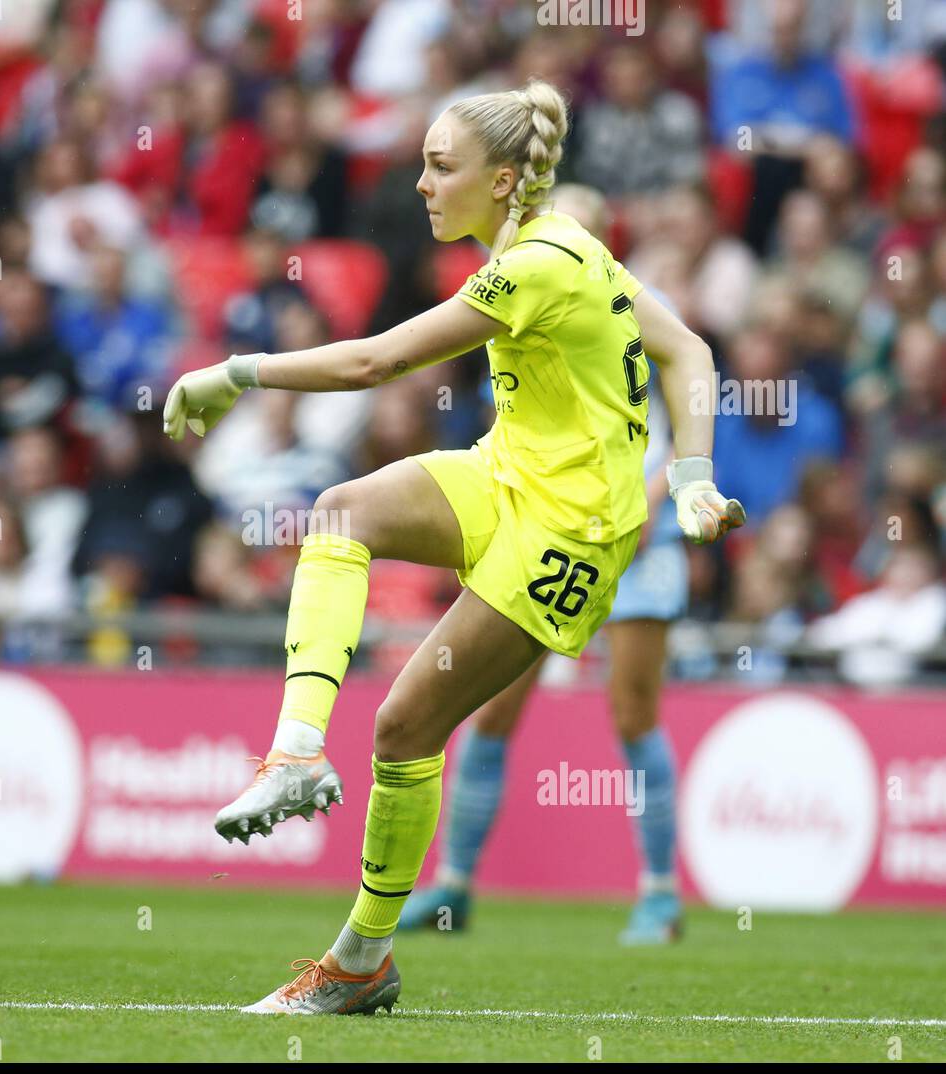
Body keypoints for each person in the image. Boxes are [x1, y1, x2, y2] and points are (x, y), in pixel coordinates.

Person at [162, 80, 745, 1015]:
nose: (423, 184)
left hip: (571, 533)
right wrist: (690, 475)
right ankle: (297, 752)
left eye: (442, 167)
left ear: (505, 179)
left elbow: (375, 361)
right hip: (507, 475)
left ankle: (363, 957)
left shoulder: (540, 265)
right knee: (342, 510)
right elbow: (686, 350)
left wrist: (236, 369)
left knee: (403, 728)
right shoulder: (570, 246)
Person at [398, 184, 691, 945]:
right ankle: (454, 886)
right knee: (493, 707)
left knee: (632, 712)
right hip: (549, 527)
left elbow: (680, 396)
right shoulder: (518, 289)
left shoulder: (627, 298)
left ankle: (659, 894)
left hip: (634, 532)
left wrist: (669, 490)